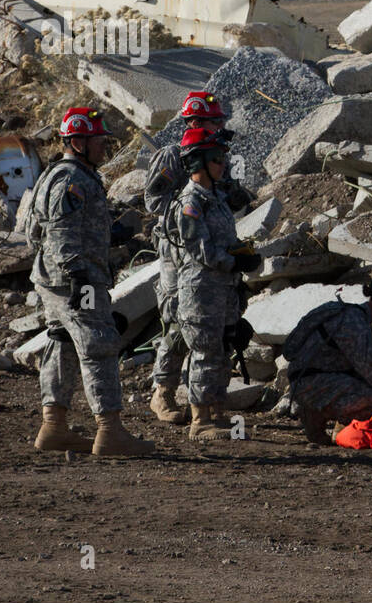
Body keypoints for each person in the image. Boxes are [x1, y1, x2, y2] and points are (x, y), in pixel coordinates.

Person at [25, 107, 154, 457]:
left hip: (55, 281)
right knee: (99, 342)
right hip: (75, 281)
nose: (104, 148)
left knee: (62, 342)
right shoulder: (73, 180)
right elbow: (62, 233)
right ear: (78, 141)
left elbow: (35, 232)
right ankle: (110, 432)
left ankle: (54, 427)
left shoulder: (58, 174)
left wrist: (111, 236)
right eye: (99, 141)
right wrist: (80, 275)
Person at [144, 91, 252, 425]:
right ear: (195, 122)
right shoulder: (175, 155)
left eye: (220, 121)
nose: (220, 125)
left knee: (215, 325)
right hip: (177, 248)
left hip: (210, 245)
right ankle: (163, 392)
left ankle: (207, 399)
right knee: (179, 317)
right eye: (214, 121)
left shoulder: (216, 154)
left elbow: (229, 195)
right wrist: (187, 213)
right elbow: (153, 200)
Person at [167, 129, 262, 440]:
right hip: (201, 288)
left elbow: (225, 242)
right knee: (205, 350)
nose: (223, 164)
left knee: (223, 348)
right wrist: (234, 261)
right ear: (199, 162)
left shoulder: (216, 197)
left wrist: (243, 255)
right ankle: (200, 420)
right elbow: (200, 249)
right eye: (217, 159)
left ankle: (217, 413)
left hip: (223, 287)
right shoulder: (191, 201)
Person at [282, 270, 372, 443]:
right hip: (313, 385)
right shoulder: (356, 326)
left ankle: (315, 421)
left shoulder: (351, 315)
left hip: (308, 380)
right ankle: (325, 417)